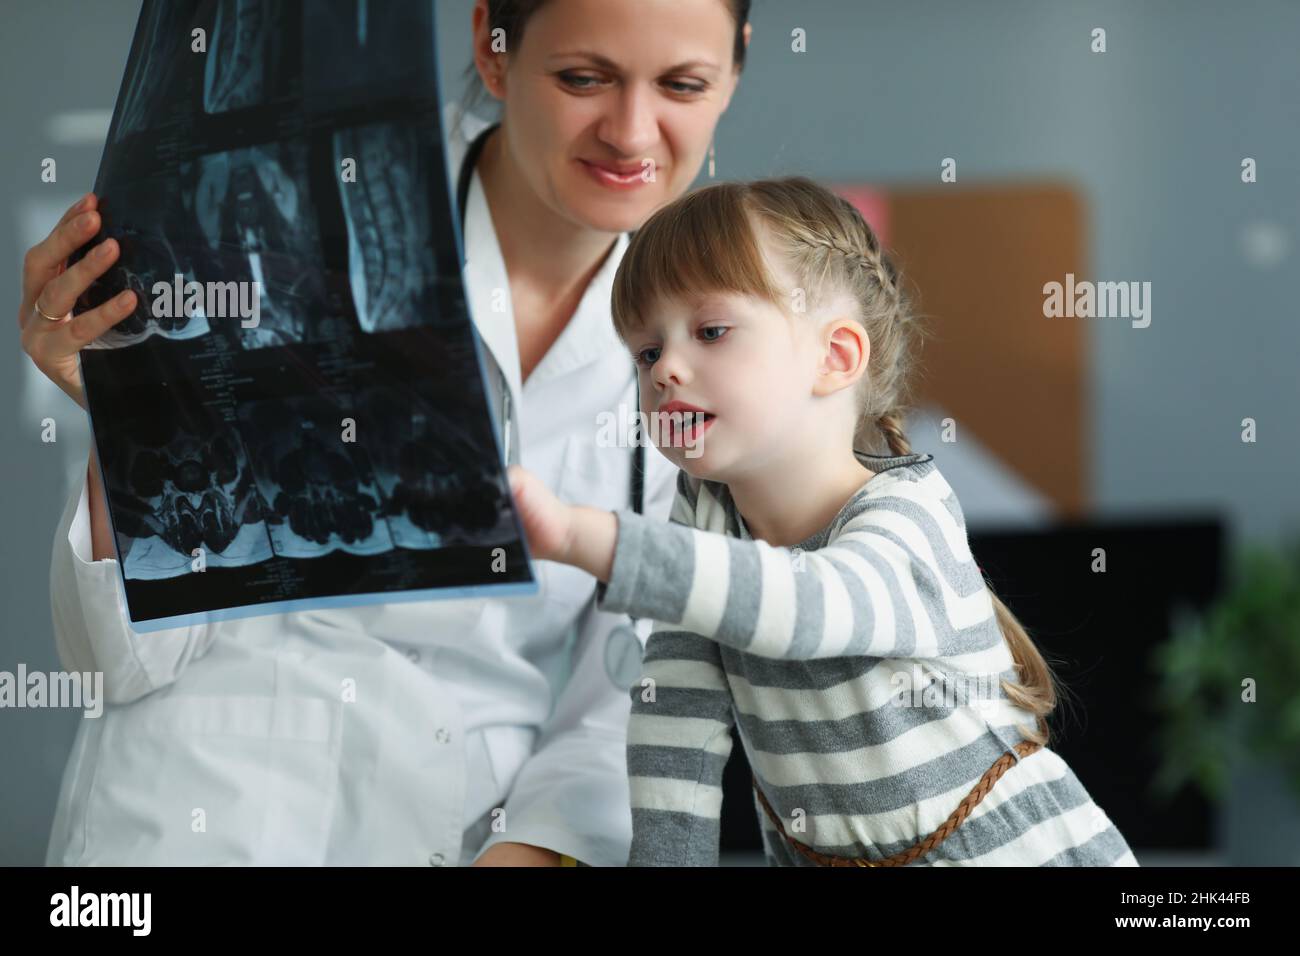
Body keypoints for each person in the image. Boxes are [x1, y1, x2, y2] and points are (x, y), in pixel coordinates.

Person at [17, 0, 753, 866]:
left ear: (735, 67)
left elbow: (629, 696)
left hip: (468, 834)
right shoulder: (282, 217)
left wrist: (536, 851)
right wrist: (129, 413)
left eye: (682, 84)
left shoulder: (724, 337)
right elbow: (121, 659)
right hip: (208, 809)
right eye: (582, 78)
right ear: (491, 45)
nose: (631, 133)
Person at [506, 176, 1139, 865]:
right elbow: (675, 725)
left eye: (711, 331)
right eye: (648, 350)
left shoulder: (909, 514)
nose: (665, 372)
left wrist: (585, 539)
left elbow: (803, 606)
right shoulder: (706, 520)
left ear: (835, 357)